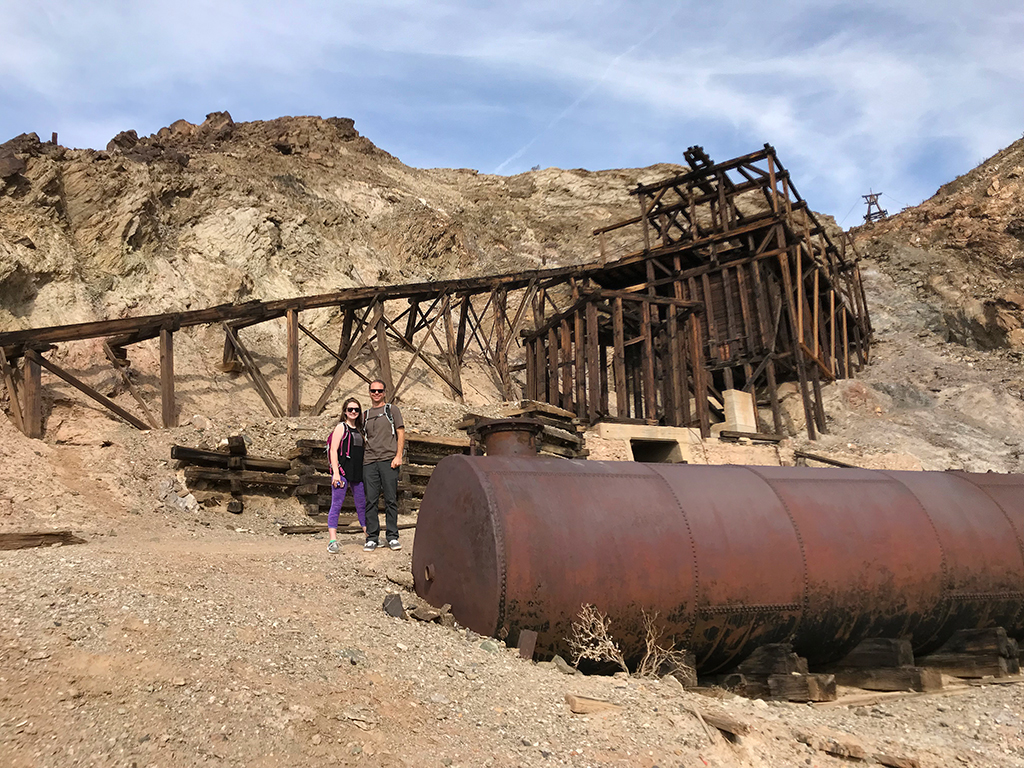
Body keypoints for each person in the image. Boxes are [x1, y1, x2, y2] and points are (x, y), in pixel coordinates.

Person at [362, 379, 405, 551]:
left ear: (385, 392)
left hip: (388, 459)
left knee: (390, 499)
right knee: (370, 500)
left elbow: (401, 432)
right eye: (373, 390)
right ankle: (372, 537)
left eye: (379, 391)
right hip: (369, 461)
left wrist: (398, 456)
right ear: (369, 392)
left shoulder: (392, 410)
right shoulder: (365, 415)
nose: (376, 393)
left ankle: (392, 536)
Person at [326, 398, 367, 554]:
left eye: (356, 409)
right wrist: (336, 473)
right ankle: (332, 540)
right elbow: (333, 450)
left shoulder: (360, 430)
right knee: (336, 504)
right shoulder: (341, 427)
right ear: (345, 411)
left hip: (357, 473)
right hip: (342, 472)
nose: (353, 412)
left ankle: (368, 536)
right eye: (350, 409)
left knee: (361, 505)